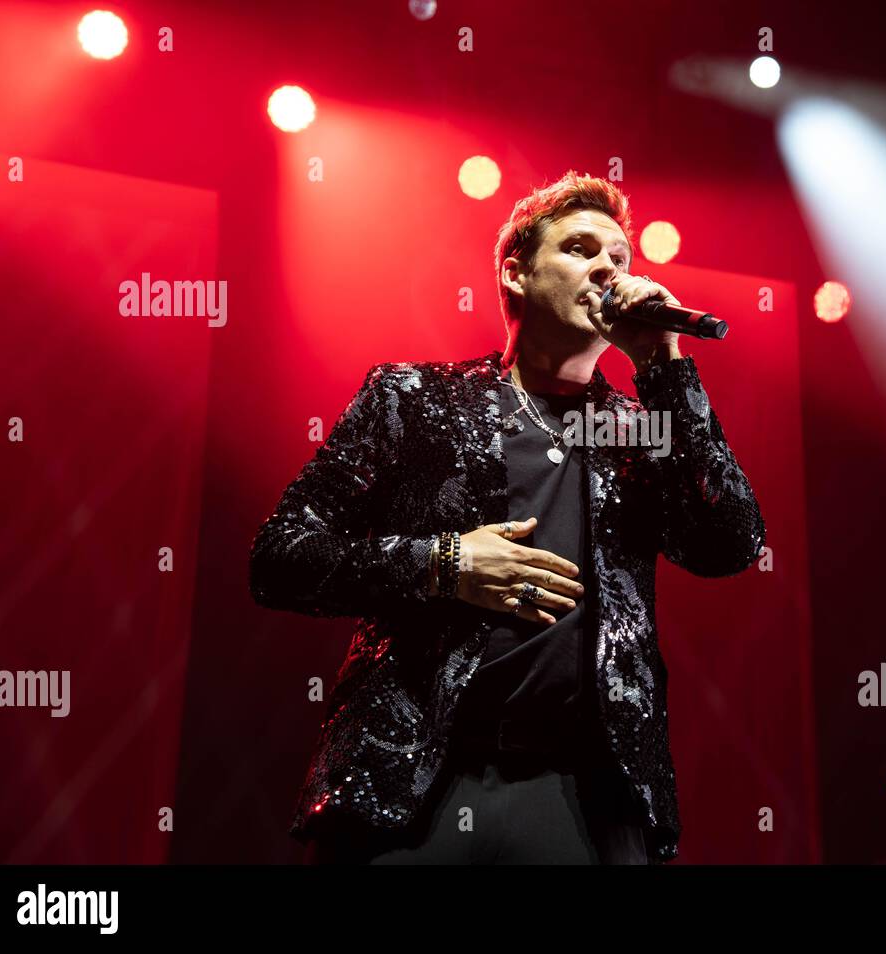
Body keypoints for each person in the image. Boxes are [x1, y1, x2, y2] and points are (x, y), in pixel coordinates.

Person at [249, 170, 766, 864]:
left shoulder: (636, 432)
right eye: (582, 250)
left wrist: (664, 366)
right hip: (415, 785)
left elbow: (730, 541)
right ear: (517, 274)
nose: (608, 272)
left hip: (584, 800)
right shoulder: (415, 398)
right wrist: (446, 564)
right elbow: (279, 556)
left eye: (619, 260)